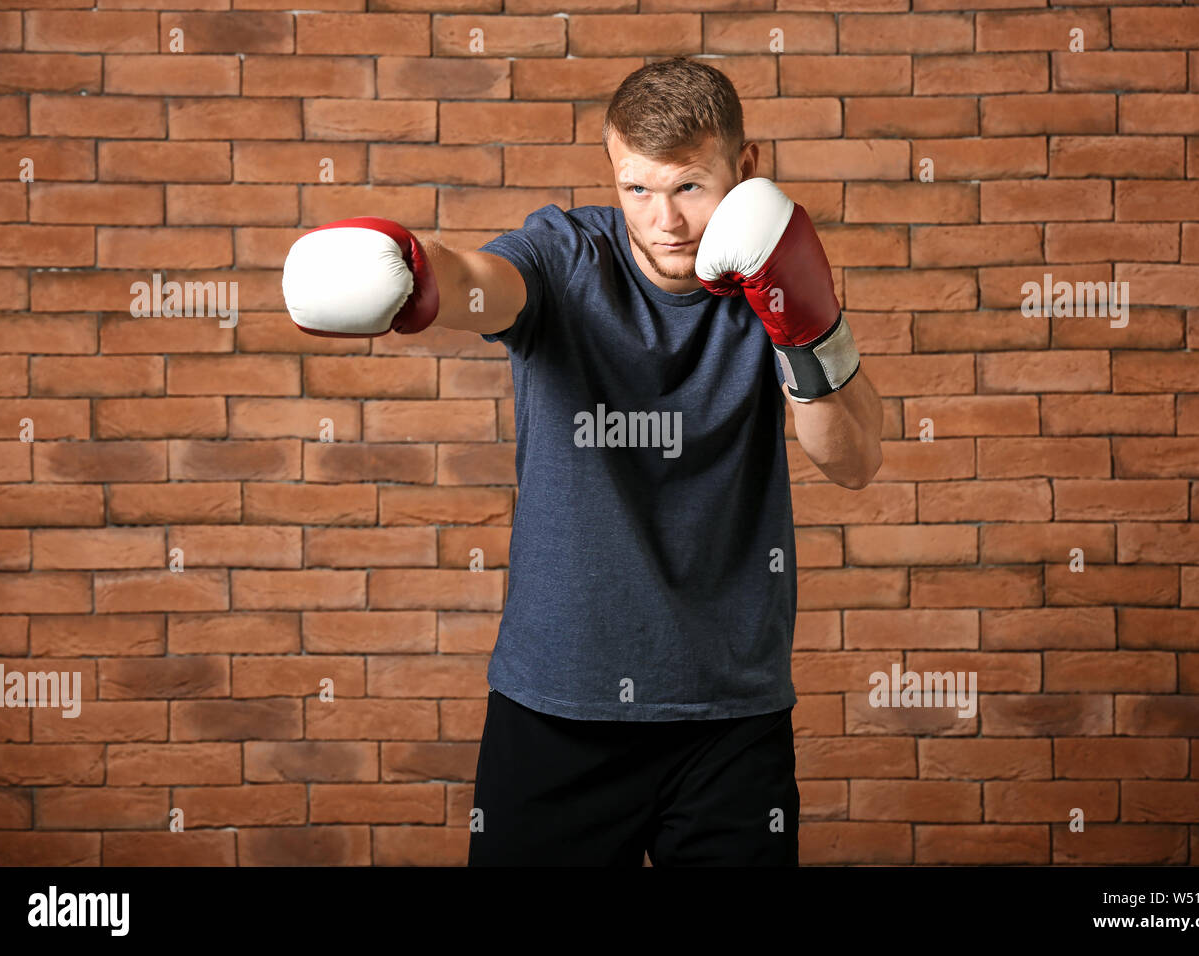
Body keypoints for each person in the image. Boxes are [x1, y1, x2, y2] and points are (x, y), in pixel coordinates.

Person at [282, 57, 884, 866]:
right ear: (612, 171)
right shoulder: (566, 258)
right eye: (637, 189)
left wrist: (804, 330)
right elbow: (482, 283)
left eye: (689, 189)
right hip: (557, 708)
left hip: (729, 717)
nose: (665, 220)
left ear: (746, 167)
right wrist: (422, 280)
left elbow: (854, 460)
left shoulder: (771, 269)